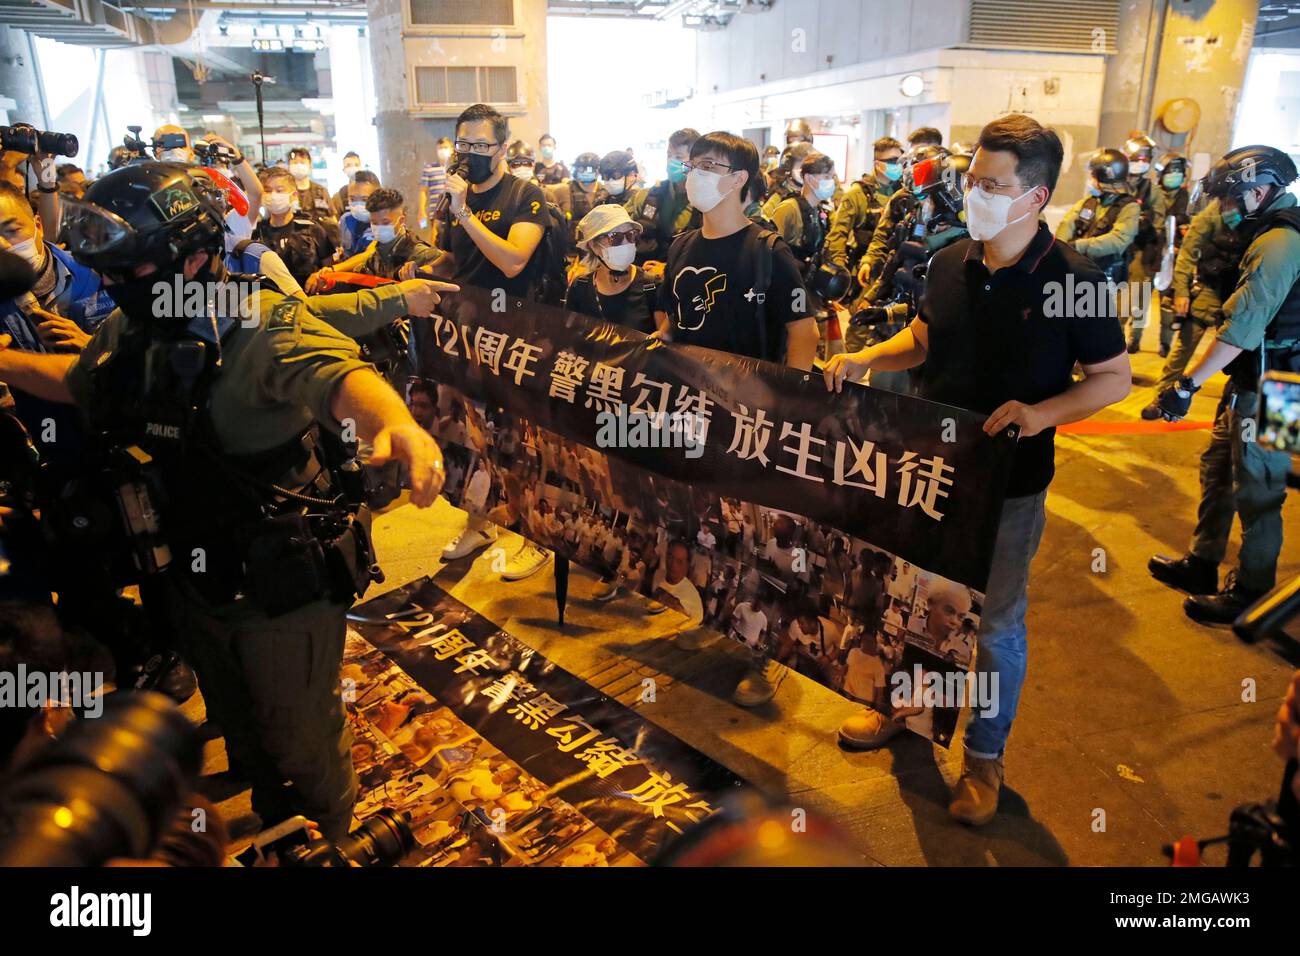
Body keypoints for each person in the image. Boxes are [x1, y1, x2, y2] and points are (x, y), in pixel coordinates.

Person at [0, 162, 454, 839]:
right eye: (114, 276)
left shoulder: (259, 324)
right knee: (240, 727)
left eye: (135, 272)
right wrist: (5, 363)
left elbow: (339, 376)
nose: (122, 288)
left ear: (197, 257)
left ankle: (333, 836)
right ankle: (278, 828)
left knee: (300, 738)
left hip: (277, 584)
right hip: (190, 575)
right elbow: (81, 379)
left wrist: (398, 428)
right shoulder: (138, 328)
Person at [824, 113, 1130, 826]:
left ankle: (985, 759)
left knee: (993, 627)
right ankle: (905, 708)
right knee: (910, 596)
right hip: (927, 469)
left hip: (1008, 485)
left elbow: (1112, 378)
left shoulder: (1074, 278)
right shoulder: (947, 260)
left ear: (1035, 197)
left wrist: (1041, 413)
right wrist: (868, 358)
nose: (975, 194)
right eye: (971, 181)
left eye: (993, 185)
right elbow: (925, 340)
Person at [1149, 145, 1300, 623]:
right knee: (1218, 468)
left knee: (1260, 486)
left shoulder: (1278, 243)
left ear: (1261, 191)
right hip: (1254, 379)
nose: (1225, 209)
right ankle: (1203, 562)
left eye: (1232, 199)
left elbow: (1241, 328)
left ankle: (1252, 591)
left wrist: (1187, 385)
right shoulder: (1267, 232)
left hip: (1280, 388)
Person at [435, 103, 551, 583]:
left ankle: (536, 539)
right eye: (464, 144)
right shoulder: (455, 194)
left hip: (518, 336)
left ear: (502, 148)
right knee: (475, 437)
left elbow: (512, 261)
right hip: (468, 332)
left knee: (521, 440)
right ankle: (479, 524)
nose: (471, 154)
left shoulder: (526, 195)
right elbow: (456, 257)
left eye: (481, 146)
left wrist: (463, 211)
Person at [1140, 197, 1248, 420]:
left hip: (1241, 293)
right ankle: (1162, 398)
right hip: (1209, 288)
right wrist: (1181, 291)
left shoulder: (1266, 216)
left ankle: (1231, 410)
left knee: (1238, 356)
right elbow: (1188, 252)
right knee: (1184, 347)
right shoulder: (1213, 213)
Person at [824, 136, 904, 350]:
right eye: (893, 160)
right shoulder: (858, 194)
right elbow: (837, 235)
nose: (898, 165)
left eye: (900, 160)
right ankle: (851, 369)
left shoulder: (902, 194)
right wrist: (841, 273)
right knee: (860, 320)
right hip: (866, 271)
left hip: (895, 269)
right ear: (878, 163)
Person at [1056, 148, 1141, 350]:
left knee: (1098, 333)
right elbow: (1067, 224)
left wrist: (1078, 246)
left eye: (1093, 175)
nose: (1090, 180)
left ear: (1104, 177)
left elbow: (1119, 239)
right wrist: (1058, 247)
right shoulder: (1089, 202)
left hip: (1108, 277)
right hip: (1078, 274)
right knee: (1067, 324)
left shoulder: (1129, 207)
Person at [566, 204, 658, 335]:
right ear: (594, 245)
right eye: (615, 237)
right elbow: (569, 335)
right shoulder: (580, 287)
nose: (626, 243)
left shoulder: (651, 286)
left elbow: (664, 343)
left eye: (631, 235)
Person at [326, 187, 443, 282]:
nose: (379, 227)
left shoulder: (424, 256)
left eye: (385, 222)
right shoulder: (374, 259)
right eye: (374, 223)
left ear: (401, 221)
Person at [625, 128, 700, 269]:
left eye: (678, 157)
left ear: (695, 161)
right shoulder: (647, 196)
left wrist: (665, 269)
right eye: (669, 155)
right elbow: (618, 226)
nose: (671, 161)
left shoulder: (705, 203)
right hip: (645, 276)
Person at [253, 166, 336, 288]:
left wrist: (319, 277)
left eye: (279, 190)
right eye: (268, 190)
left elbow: (329, 269)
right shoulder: (256, 232)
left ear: (294, 195)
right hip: (269, 299)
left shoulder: (312, 229)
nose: (273, 195)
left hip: (306, 299)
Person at [1146, 151, 1193, 358]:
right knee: (1140, 299)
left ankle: (1165, 343)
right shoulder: (1150, 195)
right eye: (1170, 172)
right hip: (1150, 254)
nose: (1174, 176)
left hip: (1173, 259)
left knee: (1167, 304)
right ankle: (1134, 339)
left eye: (1178, 172)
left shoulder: (1189, 202)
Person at [770, 150, 835, 269]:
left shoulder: (820, 211)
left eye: (832, 177)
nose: (831, 182)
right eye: (826, 177)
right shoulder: (788, 208)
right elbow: (768, 250)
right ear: (809, 179)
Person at [552, 151, 608, 244]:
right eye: (581, 169)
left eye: (589, 169)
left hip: (600, 248)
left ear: (598, 171)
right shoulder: (564, 191)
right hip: (572, 249)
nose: (585, 172)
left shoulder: (606, 192)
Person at [337, 169, 380, 259]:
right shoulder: (345, 220)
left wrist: (335, 268)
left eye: (364, 199)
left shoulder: (384, 223)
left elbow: (368, 255)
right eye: (352, 199)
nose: (358, 205)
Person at [286, 146, 334, 223]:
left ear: (310, 166)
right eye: (295, 162)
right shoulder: (285, 192)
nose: (299, 165)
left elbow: (332, 219)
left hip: (317, 233)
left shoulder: (321, 191)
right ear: (288, 167)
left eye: (302, 162)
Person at [332, 151, 363, 217]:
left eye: (356, 165)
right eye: (348, 165)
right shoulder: (339, 196)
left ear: (361, 167)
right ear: (344, 170)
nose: (353, 167)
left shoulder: (372, 191)